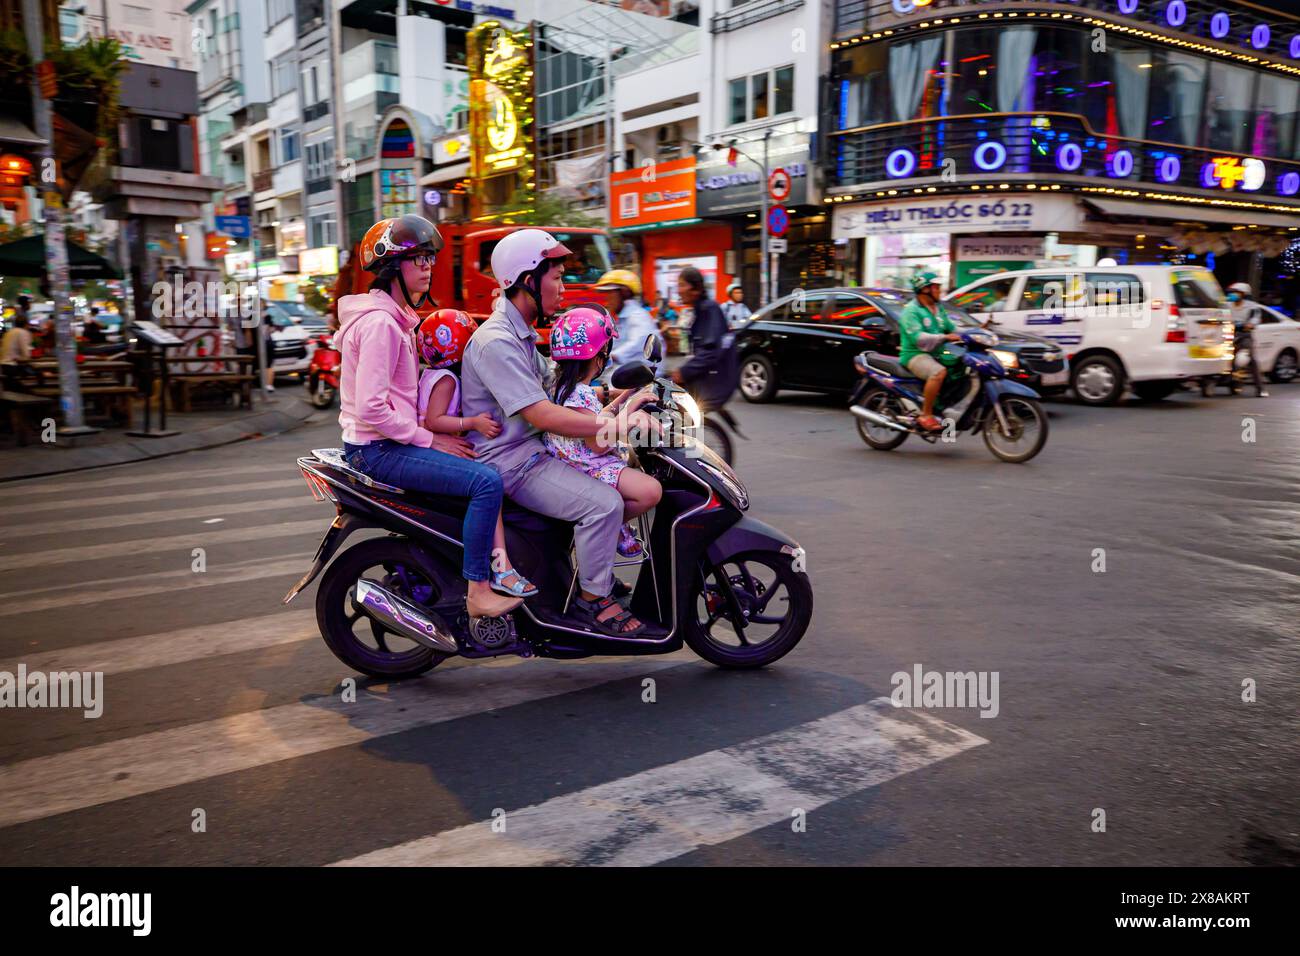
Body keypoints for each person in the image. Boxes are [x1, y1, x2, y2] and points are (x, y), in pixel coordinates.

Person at [459, 228, 661, 637]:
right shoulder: (496, 341)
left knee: (627, 490)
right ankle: (593, 603)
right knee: (603, 504)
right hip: (511, 462)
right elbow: (544, 413)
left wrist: (612, 392)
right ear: (526, 280)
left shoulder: (522, 334)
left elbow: (555, 388)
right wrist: (616, 424)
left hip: (534, 453)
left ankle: (589, 572)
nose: (563, 289)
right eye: (556, 278)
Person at [337, 214, 522, 619]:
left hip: (385, 443)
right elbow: (371, 407)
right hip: (379, 450)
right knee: (486, 482)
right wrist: (428, 438)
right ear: (391, 268)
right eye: (417, 259)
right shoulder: (381, 325)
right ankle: (479, 590)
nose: (428, 267)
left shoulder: (396, 321)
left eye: (429, 259)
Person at [416, 308, 538, 599]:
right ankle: (501, 566)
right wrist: (472, 423)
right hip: (443, 447)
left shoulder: (437, 374)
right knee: (489, 483)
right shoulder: (446, 379)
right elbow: (434, 420)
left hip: (440, 446)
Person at [542, 305, 662, 559]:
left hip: (578, 462)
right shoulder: (579, 393)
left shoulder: (561, 386)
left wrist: (627, 397)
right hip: (589, 467)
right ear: (598, 357)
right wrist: (630, 418)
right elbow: (597, 442)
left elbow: (596, 420)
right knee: (650, 490)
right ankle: (610, 523)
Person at [898, 270, 961, 432]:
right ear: (925, 289)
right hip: (915, 355)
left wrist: (975, 332)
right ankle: (926, 414)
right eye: (936, 287)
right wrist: (945, 337)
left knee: (961, 368)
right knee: (938, 372)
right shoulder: (911, 311)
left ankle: (946, 414)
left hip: (937, 353)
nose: (940, 291)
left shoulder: (938, 308)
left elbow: (953, 328)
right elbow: (919, 339)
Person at [670, 266, 738, 412]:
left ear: (696, 288)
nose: (679, 290)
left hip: (716, 382)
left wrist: (683, 372)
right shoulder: (699, 309)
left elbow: (710, 352)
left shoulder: (709, 309)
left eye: (682, 285)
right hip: (706, 377)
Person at [594, 269, 663, 378]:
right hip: (625, 378)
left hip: (641, 383)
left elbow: (638, 342)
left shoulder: (637, 316)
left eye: (610, 293)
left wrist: (609, 357)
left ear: (624, 293)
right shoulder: (622, 319)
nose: (607, 299)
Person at [1227, 281, 1268, 398]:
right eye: (1232, 292)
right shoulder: (1227, 305)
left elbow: (1255, 320)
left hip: (1244, 335)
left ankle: (1260, 388)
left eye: (1236, 292)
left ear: (1243, 294)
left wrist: (1249, 325)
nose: (1233, 294)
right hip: (1228, 334)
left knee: (1251, 360)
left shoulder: (1252, 306)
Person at [0, 313, 33, 390]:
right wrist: (23, 358)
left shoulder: (9, 332)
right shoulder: (23, 332)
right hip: (13, 367)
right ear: (26, 324)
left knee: (10, 391)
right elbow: (26, 355)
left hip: (3, 366)